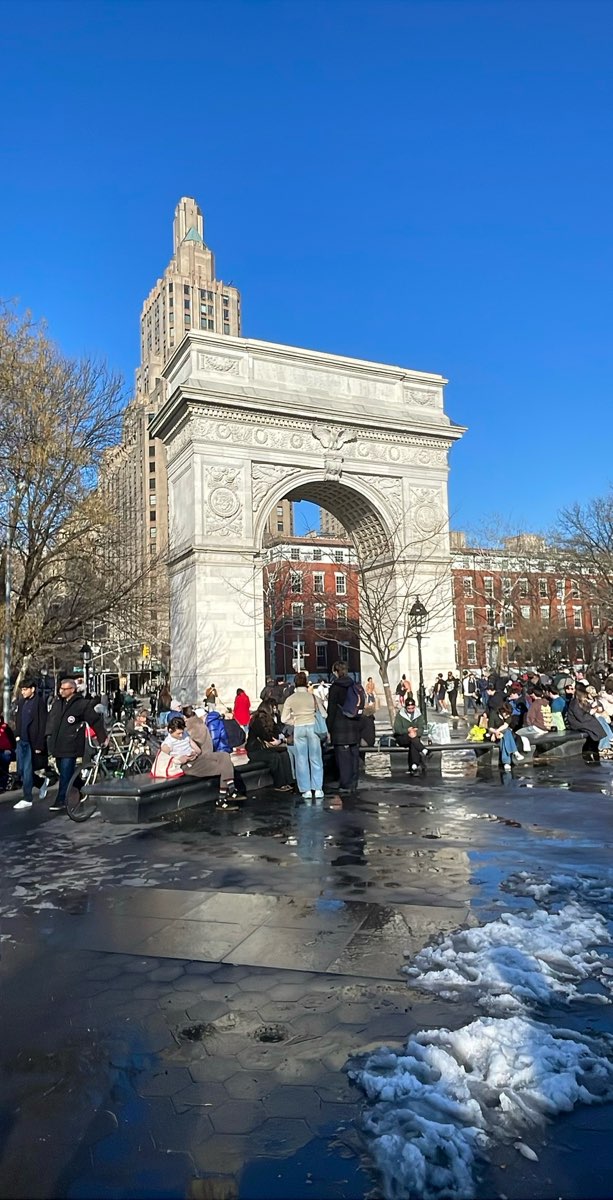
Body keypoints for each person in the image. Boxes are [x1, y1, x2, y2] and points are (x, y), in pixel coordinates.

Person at [46, 678, 107, 812]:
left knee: (65, 774)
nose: (61, 691)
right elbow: (51, 721)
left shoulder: (81, 705)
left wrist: (103, 737)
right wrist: (48, 736)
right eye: (60, 688)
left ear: (72, 690)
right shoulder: (58, 704)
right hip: (57, 743)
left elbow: (95, 721)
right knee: (64, 771)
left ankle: (62, 799)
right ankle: (81, 786)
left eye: (64, 689)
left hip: (71, 744)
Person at [281, 672, 325, 799]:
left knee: (301, 760)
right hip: (313, 728)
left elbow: (284, 718)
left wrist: (294, 721)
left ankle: (305, 790)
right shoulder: (313, 697)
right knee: (315, 759)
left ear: (295, 683)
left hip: (299, 728)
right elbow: (324, 714)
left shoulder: (290, 699)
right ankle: (317, 789)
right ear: (306, 683)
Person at [326, 661, 365, 795]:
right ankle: (354, 782)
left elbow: (331, 711)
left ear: (336, 672)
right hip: (354, 725)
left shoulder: (335, 688)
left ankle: (345, 784)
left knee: (343, 757)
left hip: (340, 726)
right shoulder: (354, 685)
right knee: (354, 754)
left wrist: (329, 728)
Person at [12, 678, 50, 810]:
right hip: (21, 740)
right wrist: (17, 735)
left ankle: (27, 797)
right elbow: (18, 719)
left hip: (32, 741)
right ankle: (40, 782)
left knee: (27, 771)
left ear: (32, 689)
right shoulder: (22, 702)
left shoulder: (39, 703)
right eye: (21, 689)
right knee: (21, 770)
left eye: (25, 689)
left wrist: (40, 744)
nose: (22, 692)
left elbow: (42, 723)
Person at [246, 705, 294, 791]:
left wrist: (280, 738)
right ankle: (279, 784)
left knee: (284, 753)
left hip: (265, 748)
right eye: (274, 708)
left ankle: (289, 781)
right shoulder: (258, 722)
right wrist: (280, 739)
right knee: (274, 757)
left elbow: (277, 731)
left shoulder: (270, 720)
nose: (276, 710)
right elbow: (267, 736)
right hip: (255, 751)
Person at [0, 711, 16, 792]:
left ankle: (2, 784)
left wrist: (9, 749)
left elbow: (12, 742)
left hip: (6, 751)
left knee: (4, 758)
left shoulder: (5, 728)